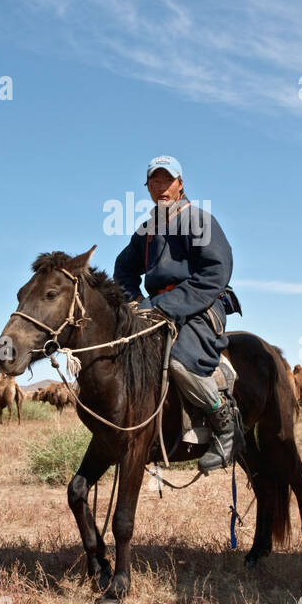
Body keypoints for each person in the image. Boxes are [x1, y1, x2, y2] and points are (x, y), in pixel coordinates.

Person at [114, 156, 239, 474]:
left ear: (180, 184)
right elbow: (123, 269)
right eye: (154, 182)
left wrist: (164, 306)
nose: (160, 187)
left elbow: (216, 271)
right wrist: (134, 304)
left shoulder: (198, 220)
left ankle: (223, 426)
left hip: (202, 305)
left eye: (166, 180)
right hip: (157, 310)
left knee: (179, 359)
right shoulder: (147, 231)